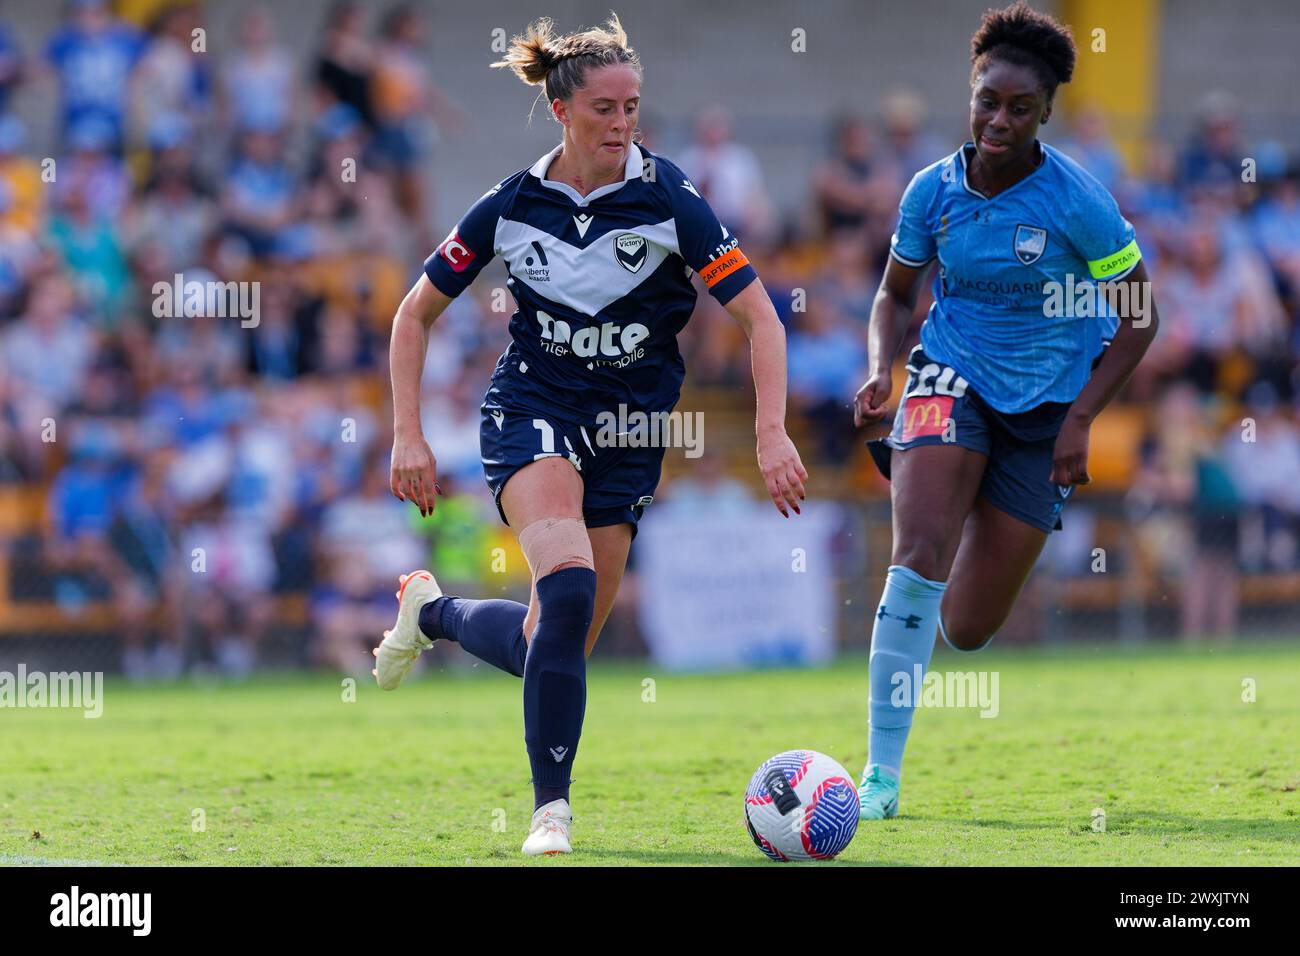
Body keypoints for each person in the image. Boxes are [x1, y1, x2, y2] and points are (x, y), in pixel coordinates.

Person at [375, 14, 807, 856]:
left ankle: (433, 615)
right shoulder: (511, 205)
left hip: (631, 431)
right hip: (531, 407)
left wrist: (771, 432)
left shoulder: (670, 199)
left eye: (632, 106)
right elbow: (412, 313)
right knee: (566, 590)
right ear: (563, 111)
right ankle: (551, 812)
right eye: (605, 108)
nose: (623, 124)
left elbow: (761, 318)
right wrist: (407, 434)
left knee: (554, 638)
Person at [851, 2, 1159, 821]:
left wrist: (1083, 418)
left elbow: (1140, 316)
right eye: (989, 99)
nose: (999, 119)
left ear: (1046, 112)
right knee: (916, 558)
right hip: (949, 379)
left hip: (1049, 410)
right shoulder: (932, 191)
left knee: (970, 627)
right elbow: (893, 294)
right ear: (973, 89)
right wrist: (883, 366)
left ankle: (986, 488)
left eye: (1020, 108)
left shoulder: (1078, 201)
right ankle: (879, 777)